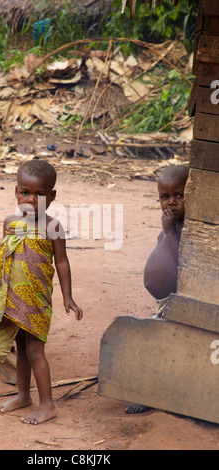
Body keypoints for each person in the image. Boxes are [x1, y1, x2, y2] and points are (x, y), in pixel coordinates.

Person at [0, 159, 83, 425]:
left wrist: (67, 295)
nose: (31, 200)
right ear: (16, 192)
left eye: (40, 194)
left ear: (52, 196)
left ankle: (47, 405)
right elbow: (4, 259)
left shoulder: (53, 227)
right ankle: (23, 396)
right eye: (25, 192)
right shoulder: (10, 222)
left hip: (36, 301)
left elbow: (61, 262)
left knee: (36, 352)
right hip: (13, 299)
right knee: (21, 347)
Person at [126, 164, 189, 414]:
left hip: (181, 301)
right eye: (165, 197)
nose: (171, 202)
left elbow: (185, 264)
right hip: (164, 303)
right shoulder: (172, 225)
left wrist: (171, 234)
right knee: (155, 344)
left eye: (179, 195)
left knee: (166, 347)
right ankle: (151, 390)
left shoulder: (190, 229)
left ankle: (155, 394)